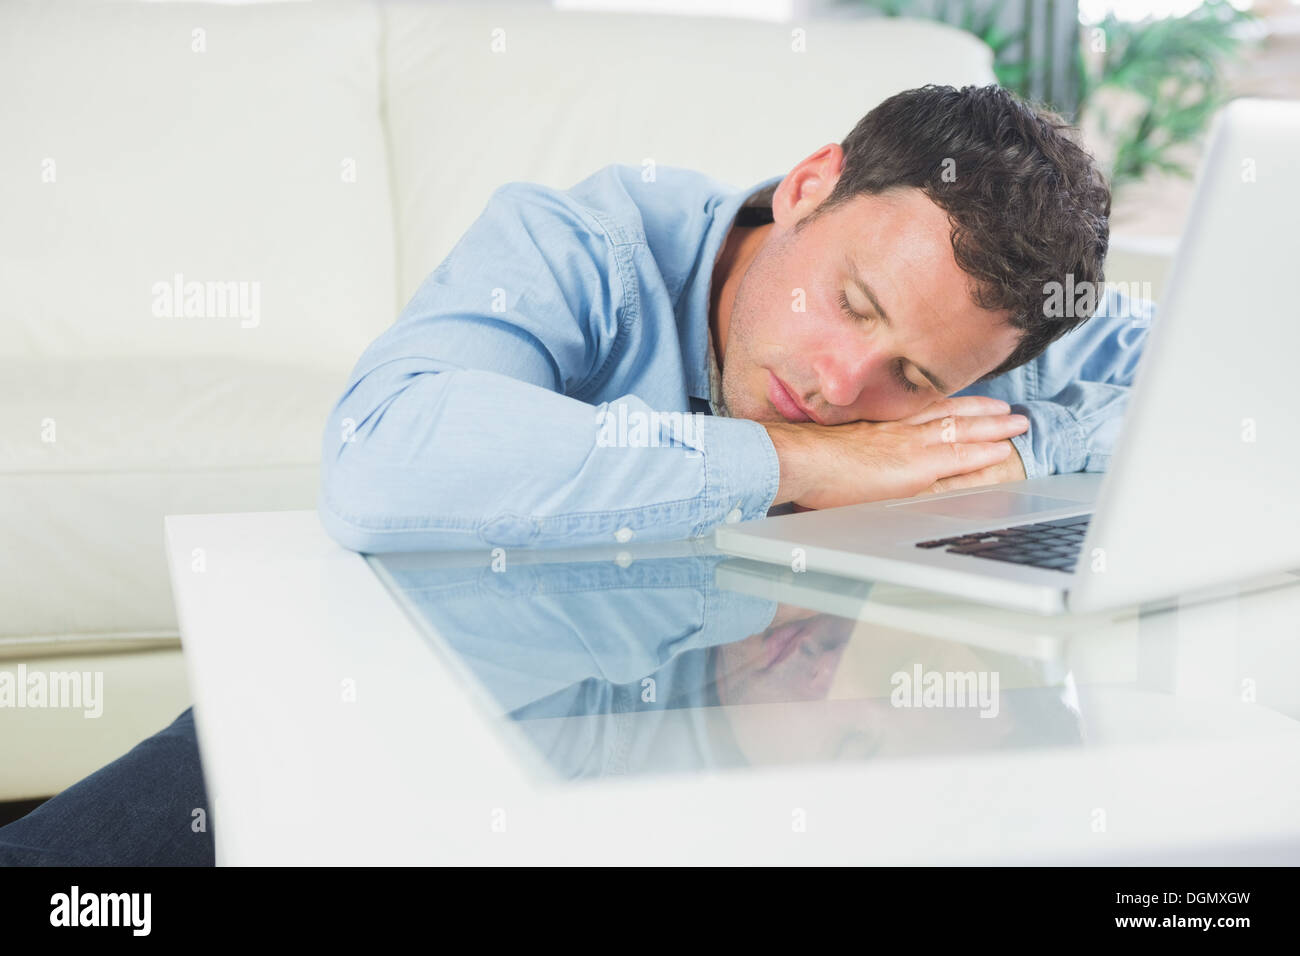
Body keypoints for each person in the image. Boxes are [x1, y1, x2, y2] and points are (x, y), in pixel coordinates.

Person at [1, 83, 1143, 865]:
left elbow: (1199, 394)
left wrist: (991, 445)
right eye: (849, 301)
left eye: (912, 376)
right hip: (430, 707)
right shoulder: (579, 246)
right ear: (808, 185)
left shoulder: (1015, 313)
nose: (845, 381)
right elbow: (385, 455)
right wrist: (805, 458)